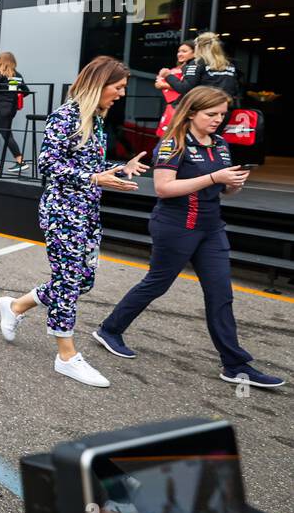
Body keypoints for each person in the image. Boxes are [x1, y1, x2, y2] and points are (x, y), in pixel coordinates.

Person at [90, 86, 284, 388]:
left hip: (211, 228)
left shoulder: (220, 144)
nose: (218, 119)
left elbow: (223, 188)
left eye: (222, 114)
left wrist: (232, 183)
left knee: (221, 294)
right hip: (175, 226)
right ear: (192, 112)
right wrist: (215, 177)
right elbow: (164, 188)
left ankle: (235, 365)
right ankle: (109, 329)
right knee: (157, 284)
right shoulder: (172, 143)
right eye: (211, 114)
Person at [0, 55, 148, 388]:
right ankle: (66, 355)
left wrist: (120, 167)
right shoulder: (65, 116)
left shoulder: (96, 119)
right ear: (100, 84)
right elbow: (48, 165)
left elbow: (88, 162)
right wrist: (95, 178)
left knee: (82, 282)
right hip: (63, 212)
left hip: (88, 212)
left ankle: (16, 306)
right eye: (118, 87)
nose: (121, 94)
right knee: (67, 282)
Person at [164, 32, 239, 104]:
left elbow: (185, 88)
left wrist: (168, 75)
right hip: (224, 107)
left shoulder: (197, 63)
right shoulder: (229, 65)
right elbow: (234, 89)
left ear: (199, 47)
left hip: (204, 106)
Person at [154, 40, 196, 137]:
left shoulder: (192, 69)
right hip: (170, 106)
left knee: (175, 136)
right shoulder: (174, 69)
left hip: (182, 107)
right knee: (165, 137)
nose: (180, 54)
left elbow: (187, 87)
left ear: (194, 53)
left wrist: (165, 84)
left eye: (184, 51)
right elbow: (157, 83)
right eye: (179, 51)